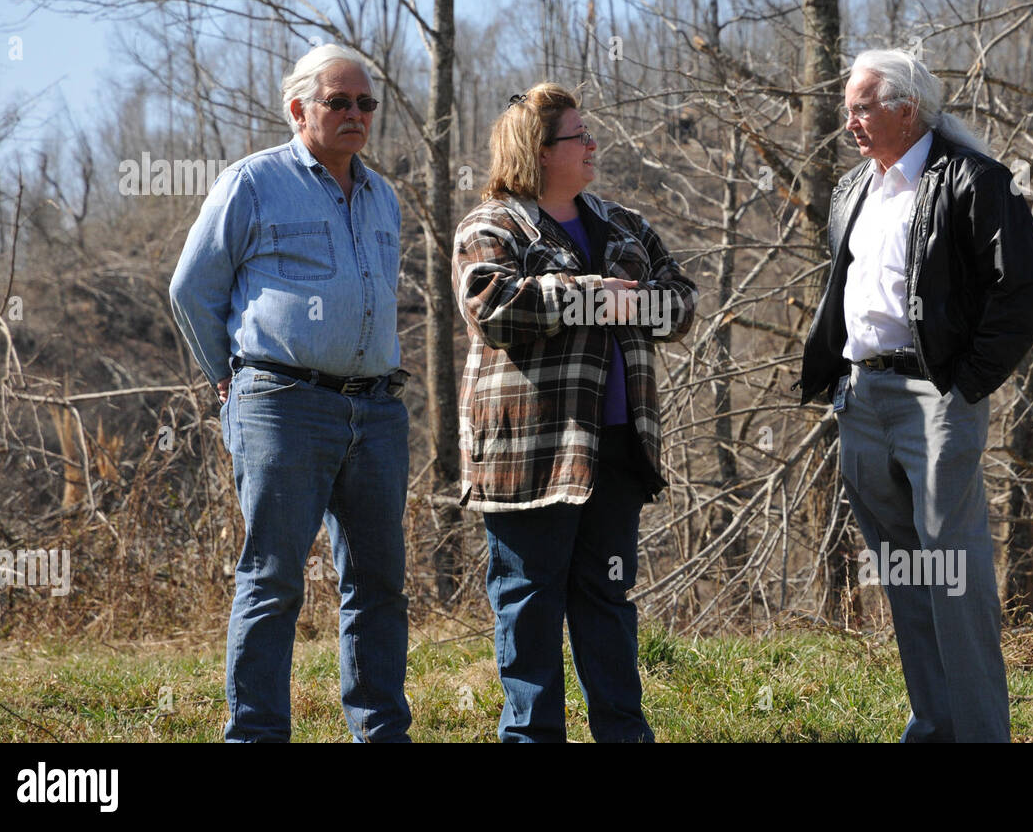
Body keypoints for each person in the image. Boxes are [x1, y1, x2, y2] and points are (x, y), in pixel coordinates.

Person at [798, 49, 1033, 742]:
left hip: (934, 395)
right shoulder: (854, 189)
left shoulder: (973, 179)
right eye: (848, 107)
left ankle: (978, 734)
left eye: (863, 106)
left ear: (907, 109)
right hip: (861, 398)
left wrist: (964, 385)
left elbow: (1023, 291)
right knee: (905, 576)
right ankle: (934, 727)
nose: (849, 120)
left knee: (955, 579)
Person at [169, 43, 412, 742]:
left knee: (379, 585)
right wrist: (230, 376)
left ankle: (380, 731)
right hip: (281, 401)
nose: (357, 114)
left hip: (376, 407)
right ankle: (256, 733)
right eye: (341, 101)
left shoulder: (383, 195)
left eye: (366, 103)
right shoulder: (252, 183)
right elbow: (192, 288)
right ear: (299, 108)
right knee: (274, 578)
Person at [452, 83, 697, 742]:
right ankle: (533, 737)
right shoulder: (491, 227)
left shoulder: (623, 225)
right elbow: (496, 311)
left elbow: (680, 304)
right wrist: (592, 297)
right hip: (528, 455)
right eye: (579, 136)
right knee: (528, 601)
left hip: (617, 447)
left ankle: (623, 733)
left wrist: (633, 302)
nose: (594, 145)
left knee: (607, 597)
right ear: (538, 149)